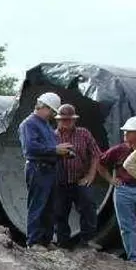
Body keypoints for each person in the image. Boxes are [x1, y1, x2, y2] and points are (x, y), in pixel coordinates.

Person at [18, 92, 75, 251]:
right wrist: (55, 150)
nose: (51, 115)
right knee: (38, 205)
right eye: (51, 111)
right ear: (42, 106)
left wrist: (64, 152)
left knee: (50, 207)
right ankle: (33, 241)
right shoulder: (29, 124)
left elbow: (52, 147)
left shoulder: (46, 125)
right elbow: (30, 148)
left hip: (50, 169)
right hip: (38, 168)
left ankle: (46, 239)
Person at [52, 104, 102, 249]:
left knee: (88, 207)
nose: (66, 122)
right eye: (63, 119)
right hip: (60, 181)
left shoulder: (83, 133)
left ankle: (87, 240)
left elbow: (96, 154)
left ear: (74, 120)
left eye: (69, 119)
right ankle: (63, 243)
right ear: (58, 120)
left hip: (80, 179)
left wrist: (91, 175)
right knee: (59, 212)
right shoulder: (53, 136)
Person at [97, 116, 136, 262]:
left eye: (128, 132)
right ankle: (134, 260)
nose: (124, 134)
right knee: (127, 226)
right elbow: (100, 163)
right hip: (123, 190)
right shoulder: (119, 150)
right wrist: (110, 180)